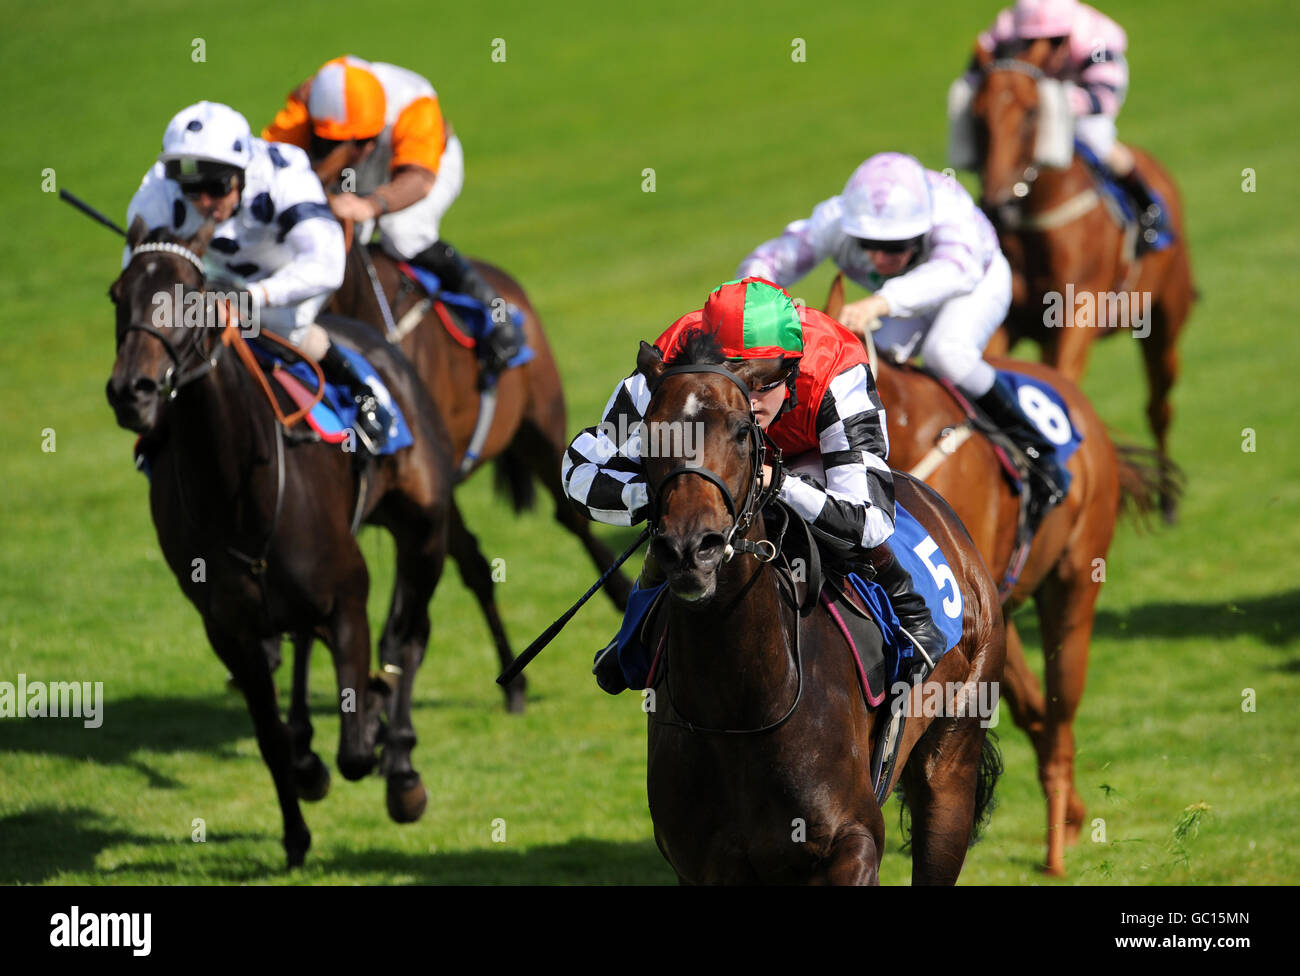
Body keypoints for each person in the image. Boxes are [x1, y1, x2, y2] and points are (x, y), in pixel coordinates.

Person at [562, 276, 944, 694]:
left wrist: (776, 482)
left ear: (794, 365)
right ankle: (633, 628)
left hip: (805, 452)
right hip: (716, 453)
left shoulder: (837, 368)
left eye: (767, 377)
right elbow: (581, 467)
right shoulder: (669, 363)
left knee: (824, 504)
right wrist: (661, 496)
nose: (752, 396)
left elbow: (869, 520)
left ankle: (906, 603)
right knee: (680, 518)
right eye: (736, 378)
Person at [737, 151, 1065, 512]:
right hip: (900, 295)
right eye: (868, 244)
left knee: (948, 353)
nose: (879, 258)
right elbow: (767, 262)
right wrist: (760, 310)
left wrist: (879, 303)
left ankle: (1038, 452)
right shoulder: (835, 217)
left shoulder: (951, 214)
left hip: (975, 281)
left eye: (894, 246)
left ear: (922, 230)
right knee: (870, 369)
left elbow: (956, 270)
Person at [124, 100, 392, 450]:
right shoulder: (157, 191)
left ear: (242, 173)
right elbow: (139, 282)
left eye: (218, 187)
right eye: (191, 188)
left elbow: (326, 267)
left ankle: (359, 386)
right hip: (206, 281)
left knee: (268, 323)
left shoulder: (284, 176)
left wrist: (249, 298)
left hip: (285, 278)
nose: (205, 202)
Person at [262, 55, 524, 379]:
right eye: (343, 144)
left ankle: (494, 311)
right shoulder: (308, 103)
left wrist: (370, 206)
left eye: (365, 142)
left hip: (429, 163)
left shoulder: (415, 102)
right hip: (367, 169)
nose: (359, 153)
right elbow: (268, 162)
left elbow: (419, 178)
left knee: (402, 232)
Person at [952, 0, 1173, 248]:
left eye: (1054, 40)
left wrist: (1055, 103)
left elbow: (1104, 98)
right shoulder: (1005, 27)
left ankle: (1146, 207)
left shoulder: (1096, 40)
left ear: (1067, 35)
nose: (1041, 50)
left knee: (1096, 138)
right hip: (1031, 88)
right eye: (1029, 42)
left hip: (1080, 86)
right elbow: (975, 72)